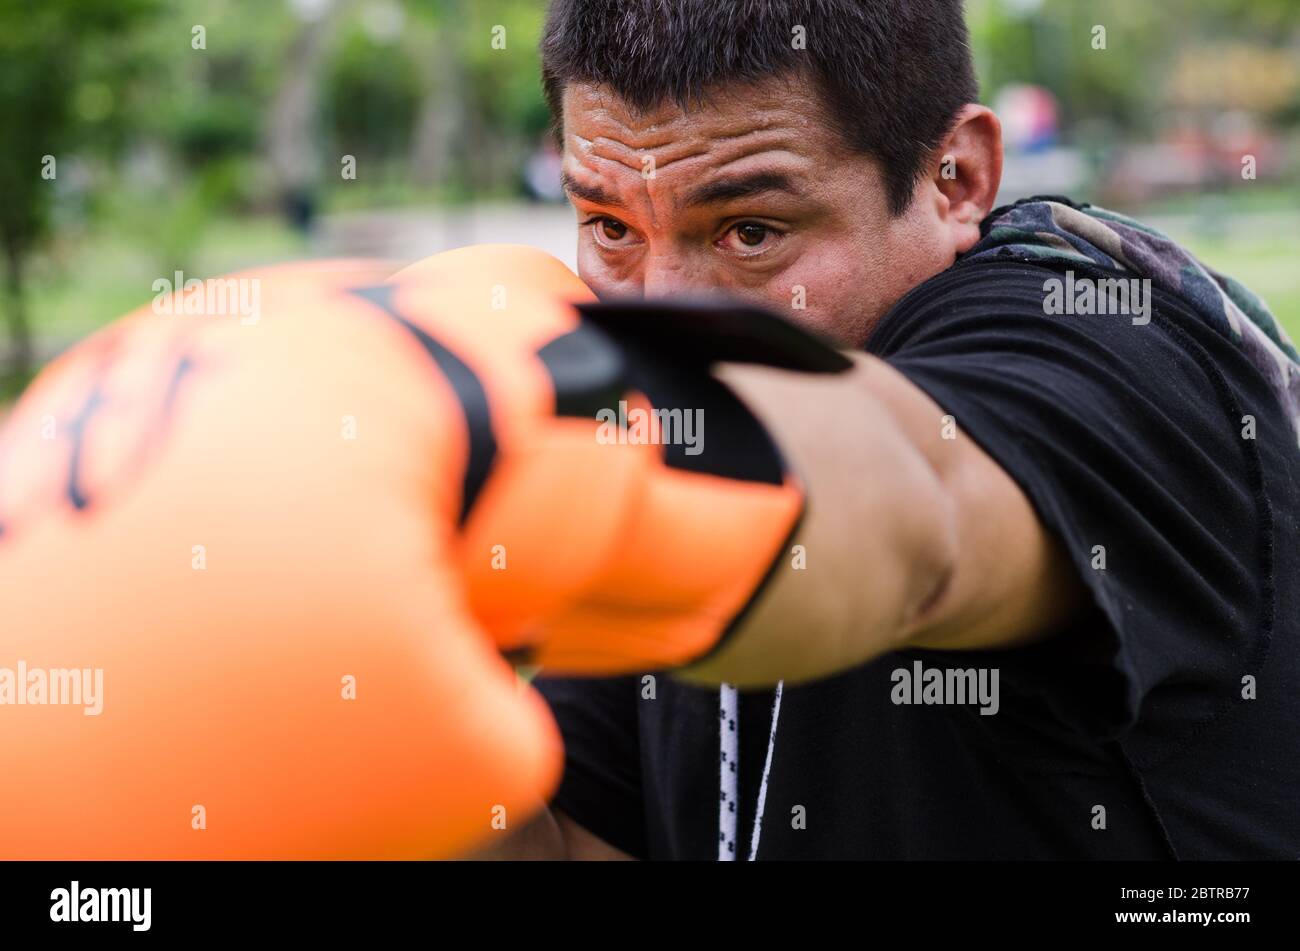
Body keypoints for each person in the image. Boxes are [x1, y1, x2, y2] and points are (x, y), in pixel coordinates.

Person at [483, 0, 1300, 860]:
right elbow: (571, 843)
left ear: (957, 176)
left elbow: (924, 507)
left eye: (749, 232)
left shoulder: (1104, 345)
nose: (656, 313)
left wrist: (469, 440)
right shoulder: (654, 465)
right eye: (611, 228)